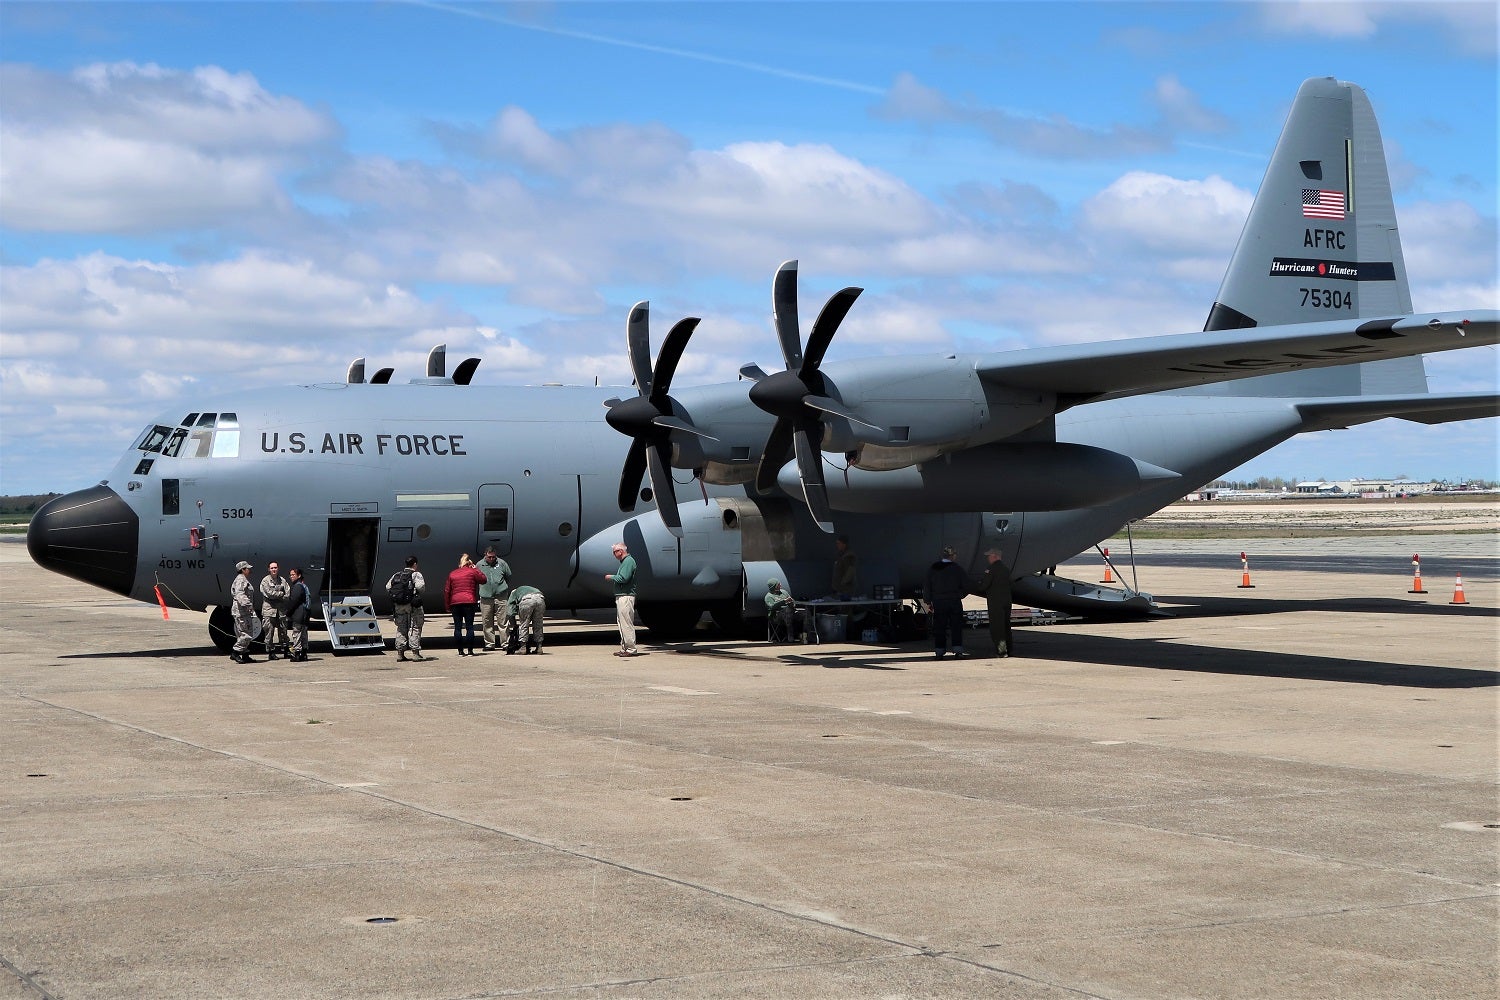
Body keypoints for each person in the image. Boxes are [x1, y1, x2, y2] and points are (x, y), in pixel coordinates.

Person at [925, 545, 969, 660]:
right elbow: (967, 585)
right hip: (954, 601)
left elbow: (927, 586)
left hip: (939, 602)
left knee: (939, 627)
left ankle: (939, 652)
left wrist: (928, 601)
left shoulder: (933, 568)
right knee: (956, 626)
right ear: (952, 556)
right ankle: (957, 650)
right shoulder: (957, 568)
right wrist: (960, 595)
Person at [971, 548, 1014, 658]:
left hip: (996, 603)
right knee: (1006, 626)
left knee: (997, 628)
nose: (988, 558)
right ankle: (1010, 650)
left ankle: (1002, 651)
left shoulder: (991, 569)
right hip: (1007, 602)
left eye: (989, 556)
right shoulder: (1006, 569)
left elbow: (984, 585)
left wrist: (974, 587)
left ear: (995, 556)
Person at [444, 554, 486, 656]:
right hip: (469, 602)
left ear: (459, 564)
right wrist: (476, 569)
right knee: (469, 627)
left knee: (458, 628)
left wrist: (447, 606)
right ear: (469, 564)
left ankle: (460, 651)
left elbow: (447, 591)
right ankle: (470, 650)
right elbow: (483, 580)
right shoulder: (472, 572)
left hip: (455, 602)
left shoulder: (452, 573)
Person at [386, 556, 426, 662]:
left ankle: (400, 653)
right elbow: (420, 587)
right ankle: (415, 653)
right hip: (412, 606)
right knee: (415, 627)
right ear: (414, 564)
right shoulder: (416, 574)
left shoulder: (397, 575)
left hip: (399, 606)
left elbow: (388, 587)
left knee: (401, 628)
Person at [605, 542, 639, 657]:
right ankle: (625, 647)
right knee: (622, 622)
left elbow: (624, 578)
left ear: (621, 551)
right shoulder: (625, 562)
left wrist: (611, 577)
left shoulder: (628, 561)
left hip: (626, 596)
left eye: (615, 552)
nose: (614, 554)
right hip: (622, 595)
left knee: (626, 622)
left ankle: (630, 649)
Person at [477, 547, 513, 652]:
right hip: (486, 597)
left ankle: (505, 643)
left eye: (493, 557)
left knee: (503, 621)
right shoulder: (479, 565)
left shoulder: (502, 563)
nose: (492, 559)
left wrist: (501, 587)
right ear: (485, 555)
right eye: (489, 557)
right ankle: (489, 644)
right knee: (487, 621)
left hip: (501, 597)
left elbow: (508, 576)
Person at [259, 561, 290, 660]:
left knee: (283, 630)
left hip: (280, 611)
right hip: (269, 610)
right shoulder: (265, 581)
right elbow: (269, 594)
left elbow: (288, 593)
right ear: (269, 569)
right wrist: (280, 594)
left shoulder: (282, 580)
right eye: (272, 568)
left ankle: (285, 649)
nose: (274, 569)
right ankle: (271, 652)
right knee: (269, 631)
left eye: (275, 567)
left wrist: (280, 595)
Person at [229, 560, 258, 664]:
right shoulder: (241, 580)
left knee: (242, 633)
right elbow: (240, 594)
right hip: (241, 612)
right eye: (247, 568)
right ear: (243, 570)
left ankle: (245, 655)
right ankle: (235, 652)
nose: (249, 570)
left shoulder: (243, 579)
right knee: (247, 634)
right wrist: (249, 606)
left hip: (242, 611)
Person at [508, 584, 546, 654]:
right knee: (538, 624)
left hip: (527, 600)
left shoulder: (513, 593)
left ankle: (523, 648)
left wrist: (514, 625)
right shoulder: (528, 589)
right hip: (540, 598)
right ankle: (539, 648)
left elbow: (510, 613)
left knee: (524, 624)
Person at [285, 566, 313, 662]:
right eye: (290, 575)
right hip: (305, 615)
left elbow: (294, 601)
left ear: (299, 575)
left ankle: (297, 654)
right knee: (304, 634)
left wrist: (288, 612)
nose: (291, 576)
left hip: (299, 615)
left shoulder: (297, 587)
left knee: (297, 634)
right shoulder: (304, 586)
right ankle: (304, 654)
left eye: (293, 575)